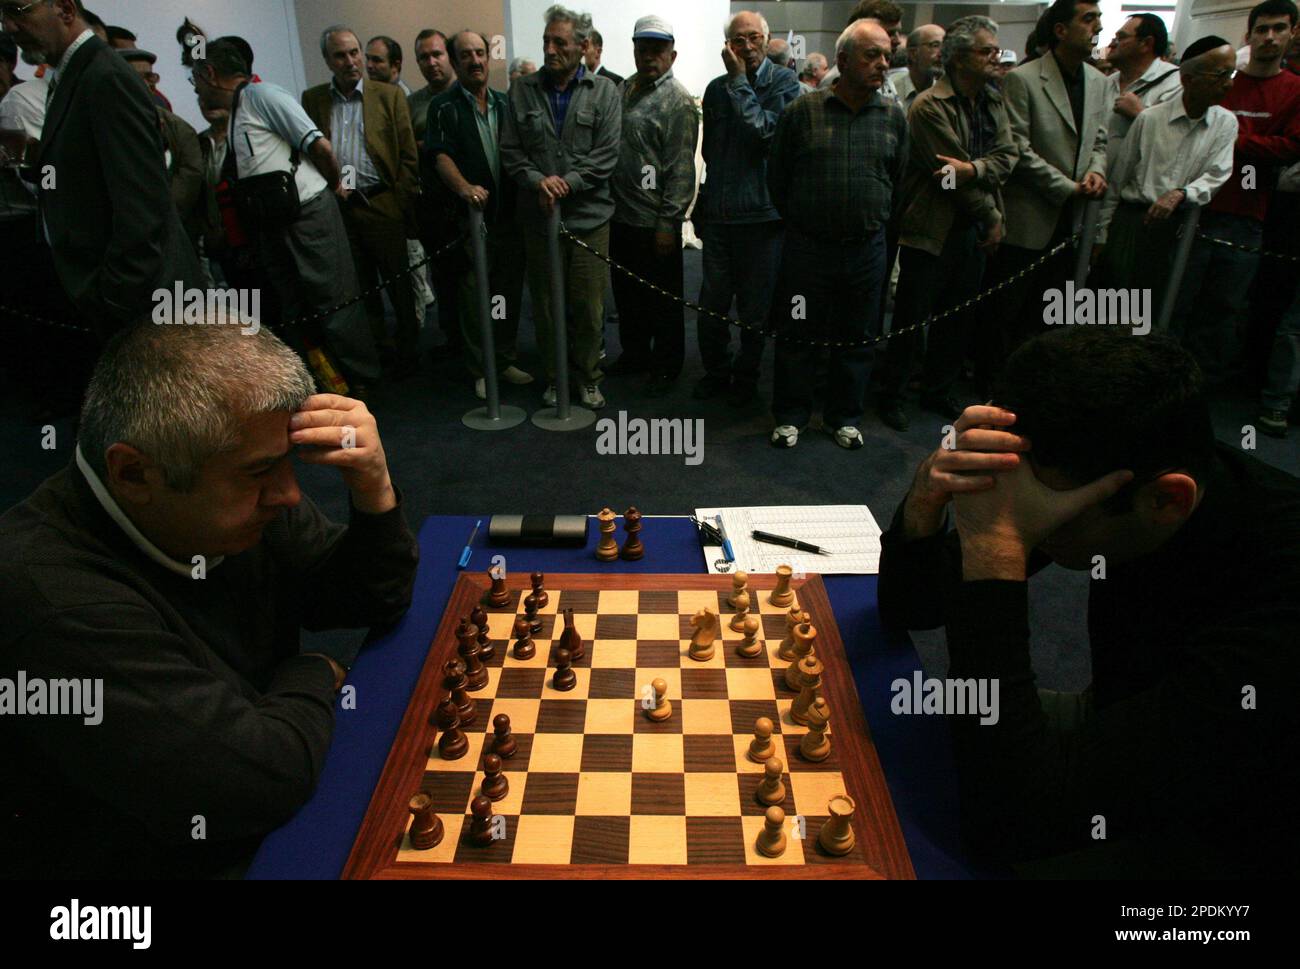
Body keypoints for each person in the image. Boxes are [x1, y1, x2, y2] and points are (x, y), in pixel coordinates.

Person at [0, 320, 419, 879]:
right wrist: (314, 671)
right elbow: (253, 784)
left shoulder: (227, 489)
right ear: (132, 472)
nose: (290, 494)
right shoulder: (51, 599)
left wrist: (373, 491)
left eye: (286, 462)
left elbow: (362, 602)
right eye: (260, 472)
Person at [877, 328, 1300, 878]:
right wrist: (924, 505)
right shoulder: (1118, 463)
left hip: (1245, 829)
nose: (1026, 529)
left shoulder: (1281, 608)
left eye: (1039, 520)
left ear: (1168, 500)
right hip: (1133, 718)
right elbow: (908, 610)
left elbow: (1009, 828)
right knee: (886, 713)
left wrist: (997, 549)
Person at [193, 39, 381, 394]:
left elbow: (321, 146)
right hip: (273, 223)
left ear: (210, 73)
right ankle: (323, 384)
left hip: (307, 214)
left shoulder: (264, 96)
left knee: (334, 302)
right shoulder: (237, 110)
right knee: (295, 308)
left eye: (196, 81)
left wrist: (338, 184)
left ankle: (363, 384)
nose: (197, 90)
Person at [7, 0, 203, 337]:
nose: (9, 27)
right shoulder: (76, 75)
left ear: (66, 9)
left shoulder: (103, 76)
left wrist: (114, 296)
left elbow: (142, 204)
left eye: (19, 10)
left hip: (142, 309)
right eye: (3, 16)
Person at [767, 17, 907, 450]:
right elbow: (778, 178)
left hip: (866, 250)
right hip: (808, 250)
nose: (883, 64)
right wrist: (803, 222)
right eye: (872, 55)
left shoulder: (893, 117)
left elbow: (897, 181)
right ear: (843, 60)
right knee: (797, 331)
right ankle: (792, 415)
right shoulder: (801, 112)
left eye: (887, 55)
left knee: (859, 337)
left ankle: (843, 416)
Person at [877, 16, 1017, 433]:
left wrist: (973, 169)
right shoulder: (927, 106)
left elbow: (1009, 158)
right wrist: (990, 213)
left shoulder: (992, 101)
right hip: (931, 228)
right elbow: (947, 177)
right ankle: (892, 394)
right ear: (957, 58)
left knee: (957, 318)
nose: (995, 57)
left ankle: (937, 390)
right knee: (911, 318)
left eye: (996, 50)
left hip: (969, 231)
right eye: (985, 51)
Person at [1172, 0, 1300, 384]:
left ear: (1293, 33)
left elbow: (1291, 146)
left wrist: (1234, 139)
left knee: (1224, 307)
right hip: (1197, 206)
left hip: (1248, 213)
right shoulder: (1226, 81)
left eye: (1279, 28)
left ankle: (1200, 386)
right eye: (1262, 29)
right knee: (1178, 298)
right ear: (1249, 35)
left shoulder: (1293, 90)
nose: (1270, 37)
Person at [501, 4, 621, 410]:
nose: (550, 50)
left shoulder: (605, 92)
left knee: (588, 307)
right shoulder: (522, 90)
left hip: (589, 221)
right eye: (546, 42)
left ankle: (588, 377)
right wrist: (539, 181)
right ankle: (555, 377)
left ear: (583, 46)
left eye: (560, 42)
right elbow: (511, 151)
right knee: (547, 306)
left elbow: (606, 155)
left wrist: (565, 184)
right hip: (538, 219)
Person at [985, 0, 1108, 375]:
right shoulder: (1023, 78)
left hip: (1073, 220)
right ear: (1060, 30)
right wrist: (1067, 186)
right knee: (1007, 309)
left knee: (1051, 308)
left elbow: (1100, 141)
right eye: (1088, 19)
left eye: (1099, 19)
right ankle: (994, 381)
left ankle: (1035, 383)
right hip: (1029, 215)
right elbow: (1017, 149)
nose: (1098, 28)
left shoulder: (1100, 82)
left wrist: (1097, 173)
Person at [692, 10, 800, 408]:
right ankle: (716, 372)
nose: (748, 47)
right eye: (739, 40)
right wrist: (704, 202)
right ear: (728, 46)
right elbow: (711, 153)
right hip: (720, 217)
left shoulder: (785, 83)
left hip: (763, 218)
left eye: (754, 38)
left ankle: (747, 375)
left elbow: (766, 135)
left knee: (755, 312)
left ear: (766, 39)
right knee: (712, 307)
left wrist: (738, 81)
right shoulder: (715, 89)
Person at [304, 26, 422, 379]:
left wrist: (398, 203)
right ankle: (377, 350)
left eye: (355, 52)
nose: (351, 61)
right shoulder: (314, 99)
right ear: (327, 60)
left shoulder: (387, 95)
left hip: (382, 203)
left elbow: (409, 157)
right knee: (359, 285)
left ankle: (409, 350)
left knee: (399, 284)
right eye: (340, 55)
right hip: (341, 208)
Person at [1094, 37, 1237, 325]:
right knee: (1113, 313)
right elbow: (1118, 181)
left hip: (1180, 230)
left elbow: (1218, 173)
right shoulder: (1150, 120)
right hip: (1133, 224)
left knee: (1161, 315)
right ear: (1188, 79)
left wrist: (1182, 193)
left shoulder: (1225, 122)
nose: (1228, 83)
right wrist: (1101, 235)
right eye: (1220, 75)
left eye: (1231, 74)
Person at [426, 29, 533, 399]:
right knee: (475, 298)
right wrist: (464, 189)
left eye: (480, 53)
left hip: (508, 221)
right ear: (455, 63)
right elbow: (440, 155)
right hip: (469, 224)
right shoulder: (444, 107)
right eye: (466, 55)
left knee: (504, 295)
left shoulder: (506, 104)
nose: (474, 60)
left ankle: (503, 358)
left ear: (489, 58)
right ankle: (481, 367)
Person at [608, 15, 698, 396]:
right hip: (620, 215)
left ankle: (667, 363)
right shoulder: (625, 89)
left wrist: (668, 221)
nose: (649, 56)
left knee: (662, 297)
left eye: (657, 50)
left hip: (655, 221)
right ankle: (635, 353)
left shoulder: (678, 101)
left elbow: (680, 168)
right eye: (642, 49)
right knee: (627, 293)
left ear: (672, 55)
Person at [1101, 14, 1182, 167]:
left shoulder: (1174, 84)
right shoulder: (1106, 83)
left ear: (1146, 43)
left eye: (1121, 38)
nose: (1112, 44)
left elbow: (1176, 143)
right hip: (1098, 182)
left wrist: (1140, 114)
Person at [819, 0, 904, 100]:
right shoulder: (837, 80)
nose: (898, 41)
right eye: (890, 33)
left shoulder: (880, 75)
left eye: (898, 33)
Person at [408, 30, 453, 140]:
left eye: (437, 54)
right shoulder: (410, 104)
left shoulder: (470, 95)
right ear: (418, 62)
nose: (431, 63)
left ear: (450, 56)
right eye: (424, 57)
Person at [892, 23, 945, 104]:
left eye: (944, 46)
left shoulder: (945, 93)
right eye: (935, 45)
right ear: (913, 53)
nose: (942, 53)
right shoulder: (890, 89)